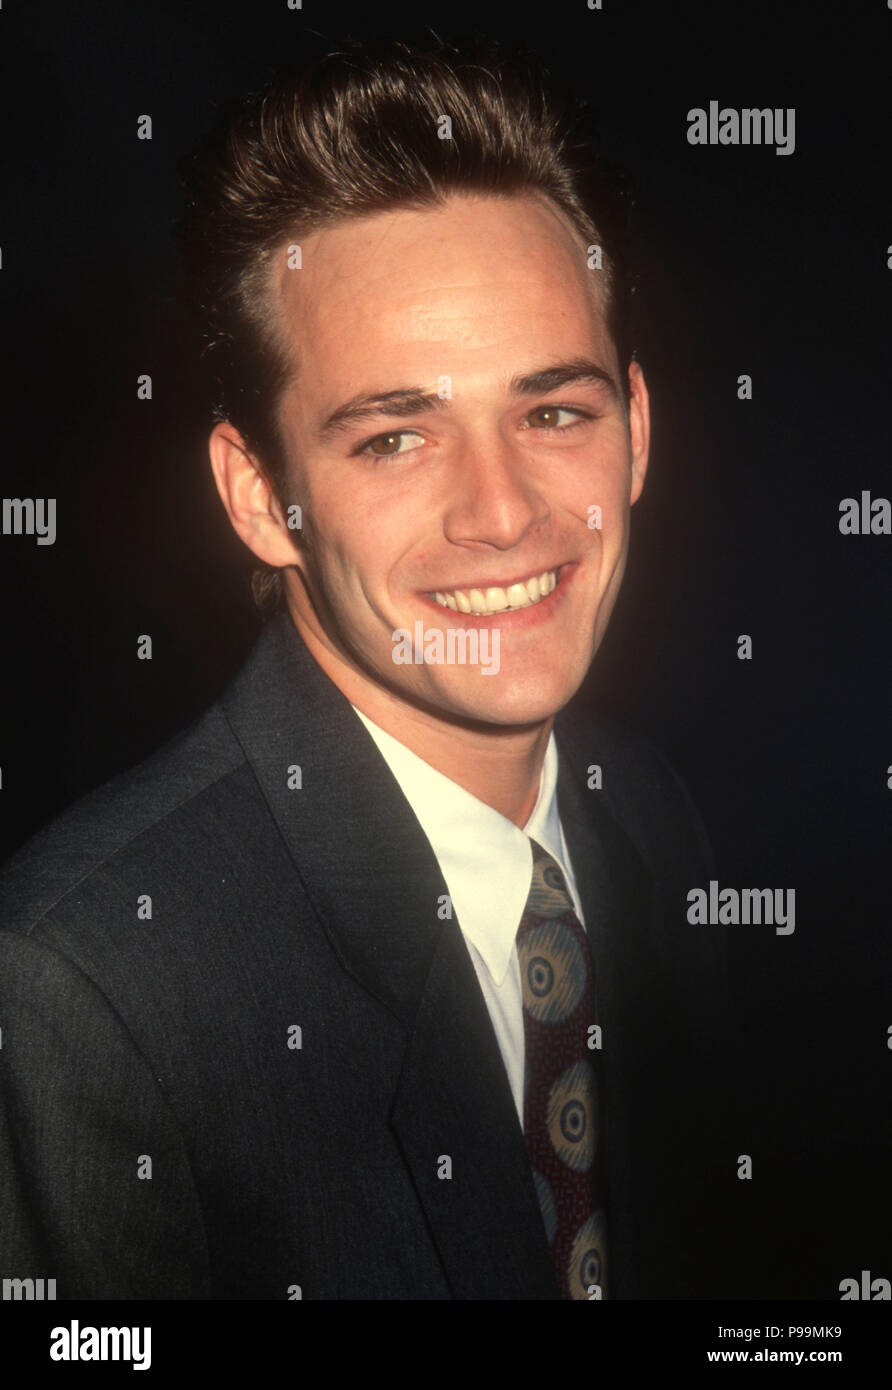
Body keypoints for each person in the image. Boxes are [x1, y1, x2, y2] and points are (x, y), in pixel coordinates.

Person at [0, 36, 747, 1300]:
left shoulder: (648, 817)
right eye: (396, 437)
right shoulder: (83, 996)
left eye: (552, 411)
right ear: (257, 497)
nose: (503, 512)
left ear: (635, 434)